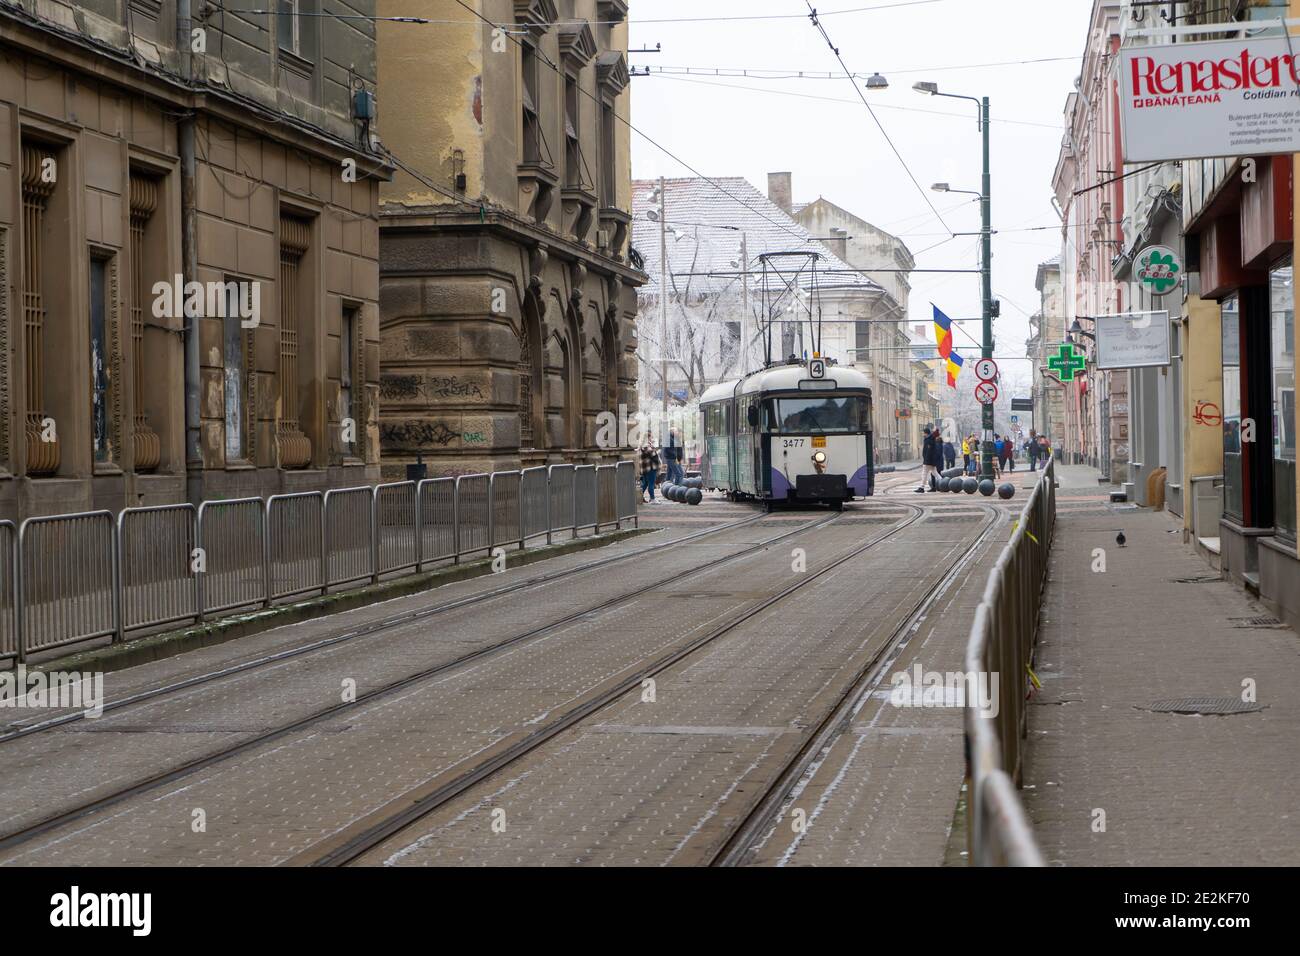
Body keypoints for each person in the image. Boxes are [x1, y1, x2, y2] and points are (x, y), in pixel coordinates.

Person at [918, 426, 942, 493]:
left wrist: (936, 429)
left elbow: (935, 434)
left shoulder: (930, 439)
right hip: (930, 460)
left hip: (928, 460)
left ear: (926, 433)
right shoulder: (928, 438)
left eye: (923, 433)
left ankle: (922, 487)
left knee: (924, 473)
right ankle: (943, 482)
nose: (923, 434)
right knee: (935, 473)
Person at [640, 436, 661, 503]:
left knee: (645, 483)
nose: (652, 438)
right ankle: (652, 498)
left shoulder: (644, 446)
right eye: (651, 437)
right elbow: (653, 455)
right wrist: (658, 451)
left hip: (645, 468)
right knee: (651, 483)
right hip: (650, 468)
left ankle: (639, 497)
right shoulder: (646, 446)